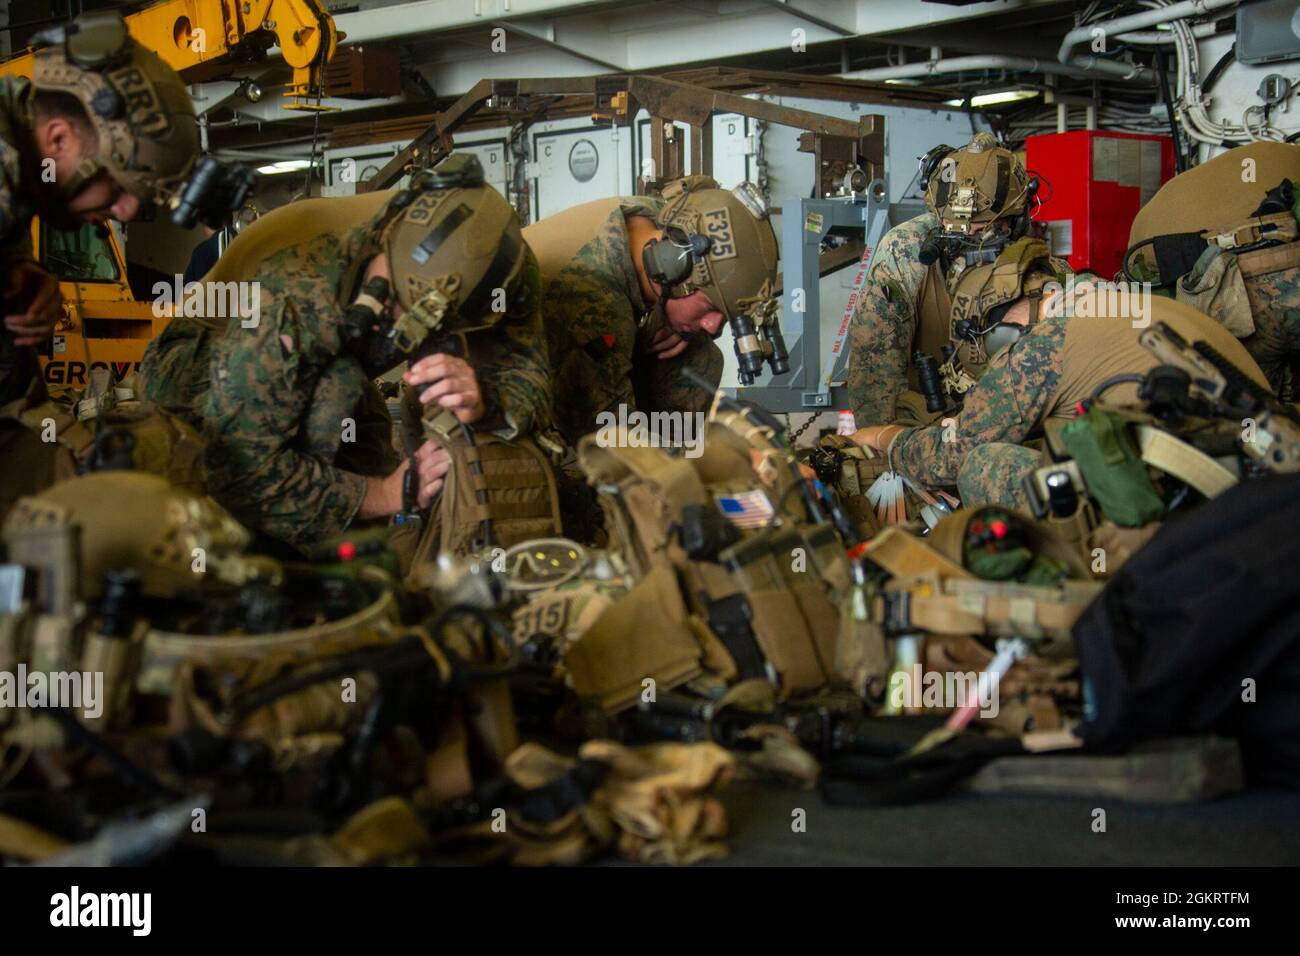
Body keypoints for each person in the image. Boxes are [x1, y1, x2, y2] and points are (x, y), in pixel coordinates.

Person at [138, 154, 552, 551]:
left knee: (365, 421)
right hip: (202, 368)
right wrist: (386, 494)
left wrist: (485, 401)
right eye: (389, 298)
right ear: (385, 237)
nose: (393, 326)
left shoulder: (501, 265)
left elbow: (527, 377)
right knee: (335, 403)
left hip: (333, 360)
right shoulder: (298, 291)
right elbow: (241, 471)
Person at [848, 238, 1271, 509]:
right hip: (1260, 480)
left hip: (1196, 503)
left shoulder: (1049, 340)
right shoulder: (1130, 304)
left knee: (983, 466)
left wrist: (886, 438)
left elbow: (951, 455)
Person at [0, 11, 199, 516]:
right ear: (61, 139)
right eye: (120, 185)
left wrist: (26, 274)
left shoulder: (20, 168)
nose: (127, 211)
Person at [523, 175, 778, 446]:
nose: (714, 326)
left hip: (588, 336)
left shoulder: (666, 227)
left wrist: (670, 316)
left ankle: (678, 461)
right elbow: (613, 436)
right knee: (616, 453)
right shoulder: (591, 298)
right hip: (507, 389)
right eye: (710, 308)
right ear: (670, 269)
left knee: (700, 358)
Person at [846, 132, 1070, 425]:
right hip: (924, 431)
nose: (972, 243)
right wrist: (888, 446)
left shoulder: (1038, 266)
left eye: (984, 231)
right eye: (960, 232)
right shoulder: (906, 251)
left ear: (1016, 222)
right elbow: (875, 369)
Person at [1125, 141, 1300, 401]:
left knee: (1264, 417)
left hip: (1227, 306)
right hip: (1285, 274)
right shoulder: (1282, 154)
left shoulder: (1157, 214)